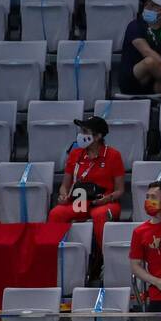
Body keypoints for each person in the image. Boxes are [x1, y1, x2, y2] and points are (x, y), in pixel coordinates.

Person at [48, 116, 126, 279]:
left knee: (100, 215)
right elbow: (65, 185)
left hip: (105, 200)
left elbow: (120, 190)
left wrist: (107, 199)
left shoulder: (113, 155)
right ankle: (56, 260)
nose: (80, 135)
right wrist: (63, 195)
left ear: (97, 136)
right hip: (80, 201)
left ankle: (104, 260)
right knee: (57, 213)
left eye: (85, 131)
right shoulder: (76, 154)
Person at [129, 181, 161, 312]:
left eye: (153, 197)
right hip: (158, 294)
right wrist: (156, 281)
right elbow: (135, 266)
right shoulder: (139, 232)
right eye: (147, 197)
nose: (148, 201)